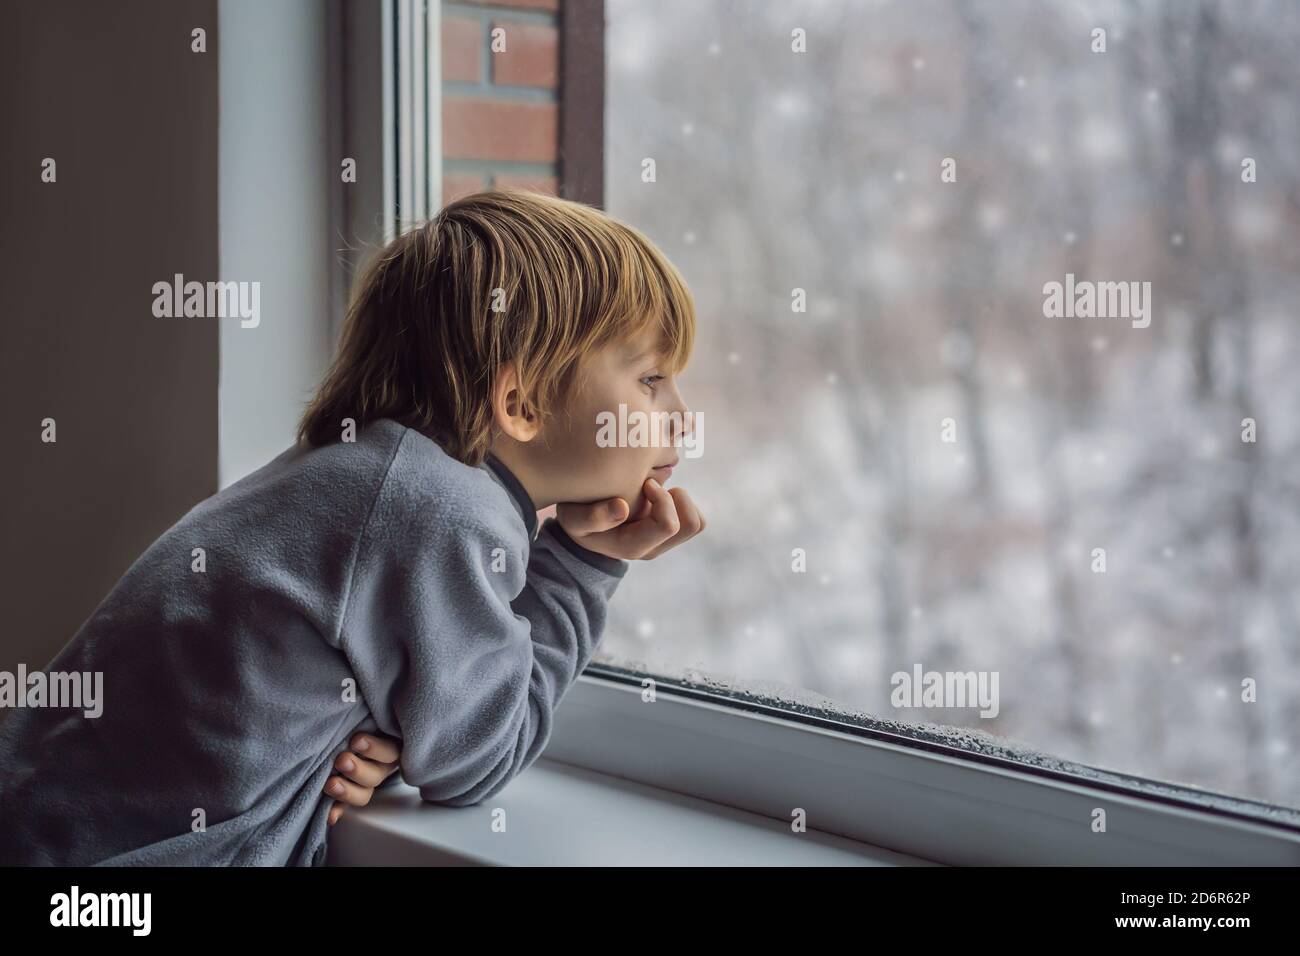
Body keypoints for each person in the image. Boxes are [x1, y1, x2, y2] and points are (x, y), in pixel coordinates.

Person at [0, 189, 705, 865]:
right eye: (651, 380)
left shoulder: (361, 472)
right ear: (520, 403)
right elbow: (478, 761)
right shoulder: (441, 512)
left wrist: (401, 730)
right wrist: (582, 566)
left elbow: (380, 681)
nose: (681, 413)